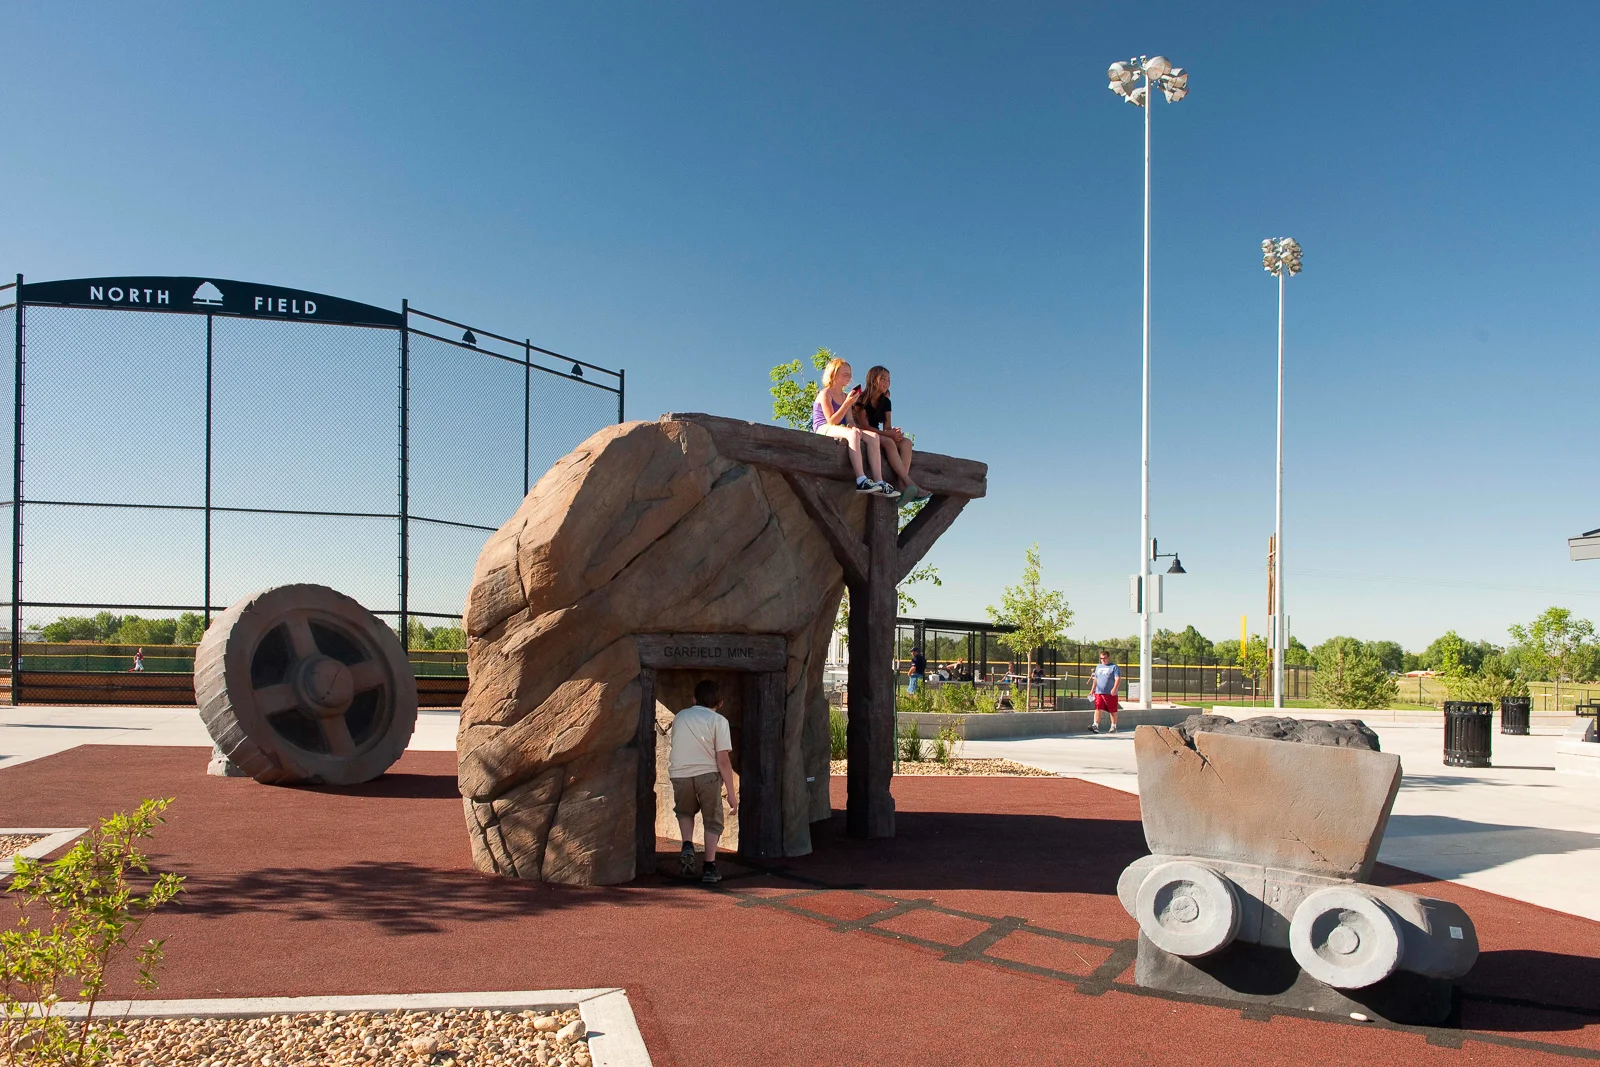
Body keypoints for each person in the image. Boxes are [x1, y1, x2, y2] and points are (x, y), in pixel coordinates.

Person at [668, 679, 739, 884]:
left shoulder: (680, 716)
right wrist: (732, 794)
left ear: (694, 699)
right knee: (713, 820)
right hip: (707, 775)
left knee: (684, 811)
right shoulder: (719, 722)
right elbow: (723, 760)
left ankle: (688, 844)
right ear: (720, 703)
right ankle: (709, 866)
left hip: (680, 773)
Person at [812, 357, 899, 498]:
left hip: (839, 428)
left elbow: (850, 421)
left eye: (850, 373)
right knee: (853, 435)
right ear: (833, 374)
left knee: (873, 437)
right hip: (823, 427)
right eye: (845, 374)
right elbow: (831, 420)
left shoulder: (846, 396)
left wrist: (853, 426)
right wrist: (847, 404)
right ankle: (861, 479)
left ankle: (879, 480)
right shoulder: (825, 393)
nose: (849, 377)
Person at [854, 366, 927, 501]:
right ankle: (909, 482)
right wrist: (888, 435)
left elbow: (886, 426)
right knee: (888, 441)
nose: (886, 383)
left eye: (889, 380)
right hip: (865, 433)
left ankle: (901, 485)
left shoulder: (886, 401)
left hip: (880, 433)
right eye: (883, 379)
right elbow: (864, 426)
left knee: (906, 442)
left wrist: (893, 432)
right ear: (872, 379)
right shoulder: (862, 399)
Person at [1090, 650, 1121, 734]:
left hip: (1110, 693)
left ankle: (1113, 726)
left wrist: (1114, 688)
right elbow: (1096, 679)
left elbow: (1117, 678)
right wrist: (1092, 690)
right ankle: (1095, 725)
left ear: (1108, 657)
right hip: (1099, 692)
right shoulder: (1098, 667)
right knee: (1098, 708)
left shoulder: (1114, 667)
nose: (1103, 660)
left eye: (1104, 658)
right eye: (1101, 658)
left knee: (1112, 710)